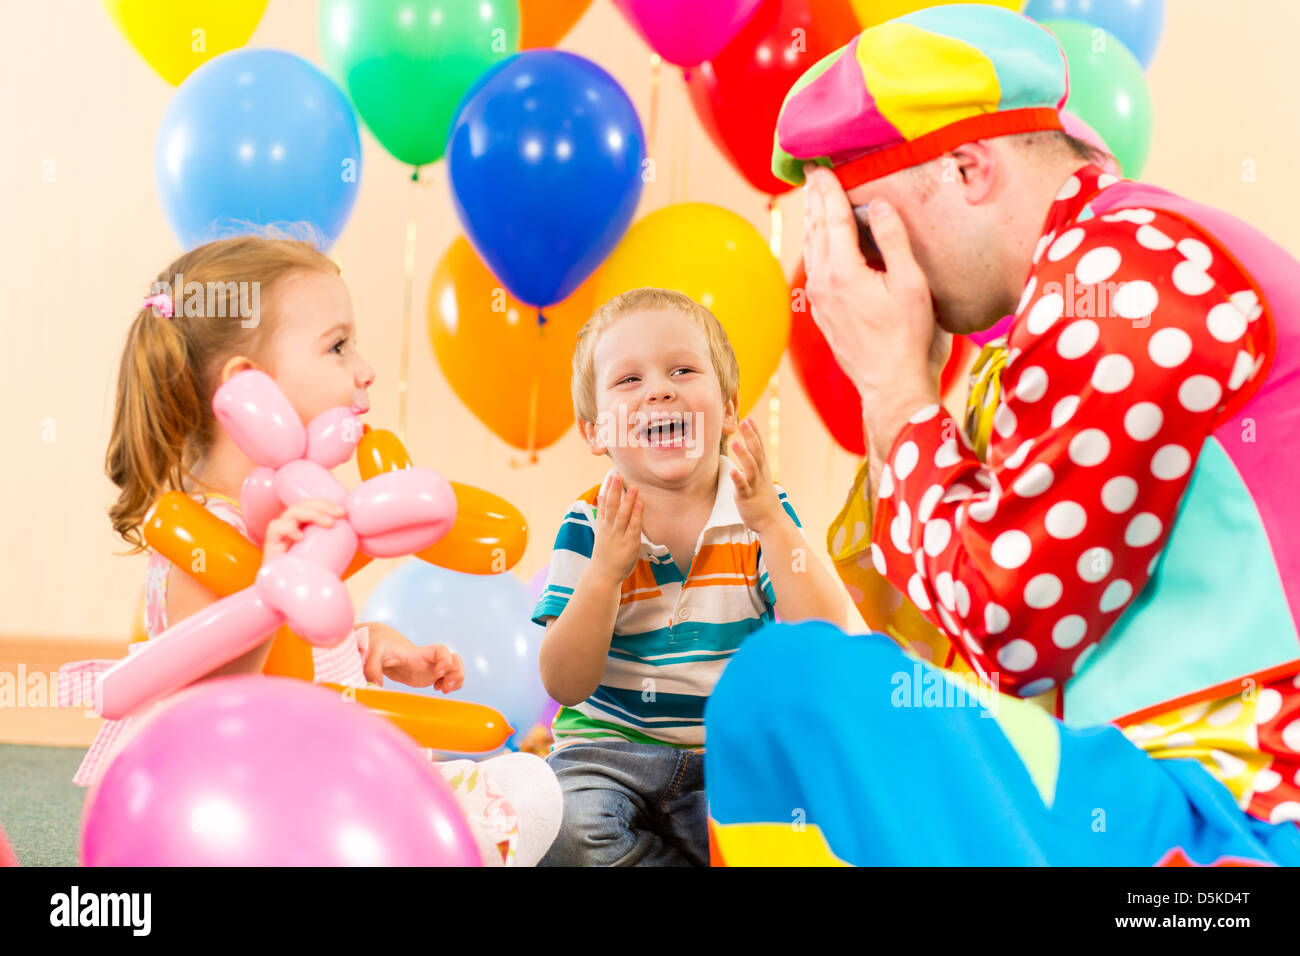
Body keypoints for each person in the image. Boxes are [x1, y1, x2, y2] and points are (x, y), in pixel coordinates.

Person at [707, 4, 1300, 865]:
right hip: (1148, 797)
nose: (852, 275)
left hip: (1236, 822)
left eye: (865, 227)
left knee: (783, 694)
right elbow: (898, 635)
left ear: (967, 168)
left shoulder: (1134, 269)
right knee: (787, 692)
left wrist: (895, 388)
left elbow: (1010, 625)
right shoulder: (1040, 334)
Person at [59, 236, 561, 867]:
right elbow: (220, 711)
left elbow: (298, 659)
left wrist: (372, 644)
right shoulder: (203, 541)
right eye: (338, 345)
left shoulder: (299, 512)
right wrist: (275, 575)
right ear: (250, 386)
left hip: (312, 772)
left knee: (529, 790)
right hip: (239, 807)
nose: (366, 368)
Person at [532, 288, 847, 865]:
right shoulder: (587, 524)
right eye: (629, 381)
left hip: (729, 757)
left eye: (683, 370)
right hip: (607, 756)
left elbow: (827, 638)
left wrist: (773, 526)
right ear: (595, 431)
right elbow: (564, 683)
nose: (659, 389)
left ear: (728, 409)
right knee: (565, 829)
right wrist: (605, 572)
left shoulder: (760, 511)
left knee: (805, 825)